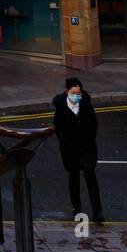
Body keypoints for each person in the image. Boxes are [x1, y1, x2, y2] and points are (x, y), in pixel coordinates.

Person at [52, 77, 105, 222]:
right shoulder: (61, 106)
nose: (76, 96)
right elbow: (58, 126)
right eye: (73, 93)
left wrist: (88, 140)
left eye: (78, 93)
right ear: (67, 92)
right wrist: (65, 142)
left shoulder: (86, 104)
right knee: (73, 178)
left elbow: (93, 124)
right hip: (70, 150)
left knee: (90, 177)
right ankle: (77, 210)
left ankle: (97, 211)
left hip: (86, 148)